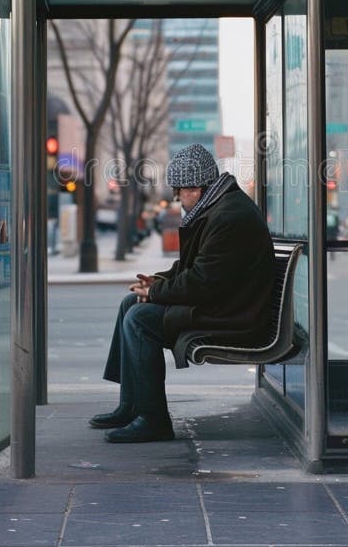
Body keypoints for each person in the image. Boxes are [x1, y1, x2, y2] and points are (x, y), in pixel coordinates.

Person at [91, 143, 276, 444]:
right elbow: (196, 269)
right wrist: (156, 282)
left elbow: (202, 282)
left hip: (235, 315)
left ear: (200, 186)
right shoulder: (219, 208)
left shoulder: (228, 217)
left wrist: (156, 293)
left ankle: (154, 419)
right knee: (131, 304)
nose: (177, 198)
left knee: (139, 318)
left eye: (181, 190)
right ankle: (131, 406)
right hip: (227, 303)